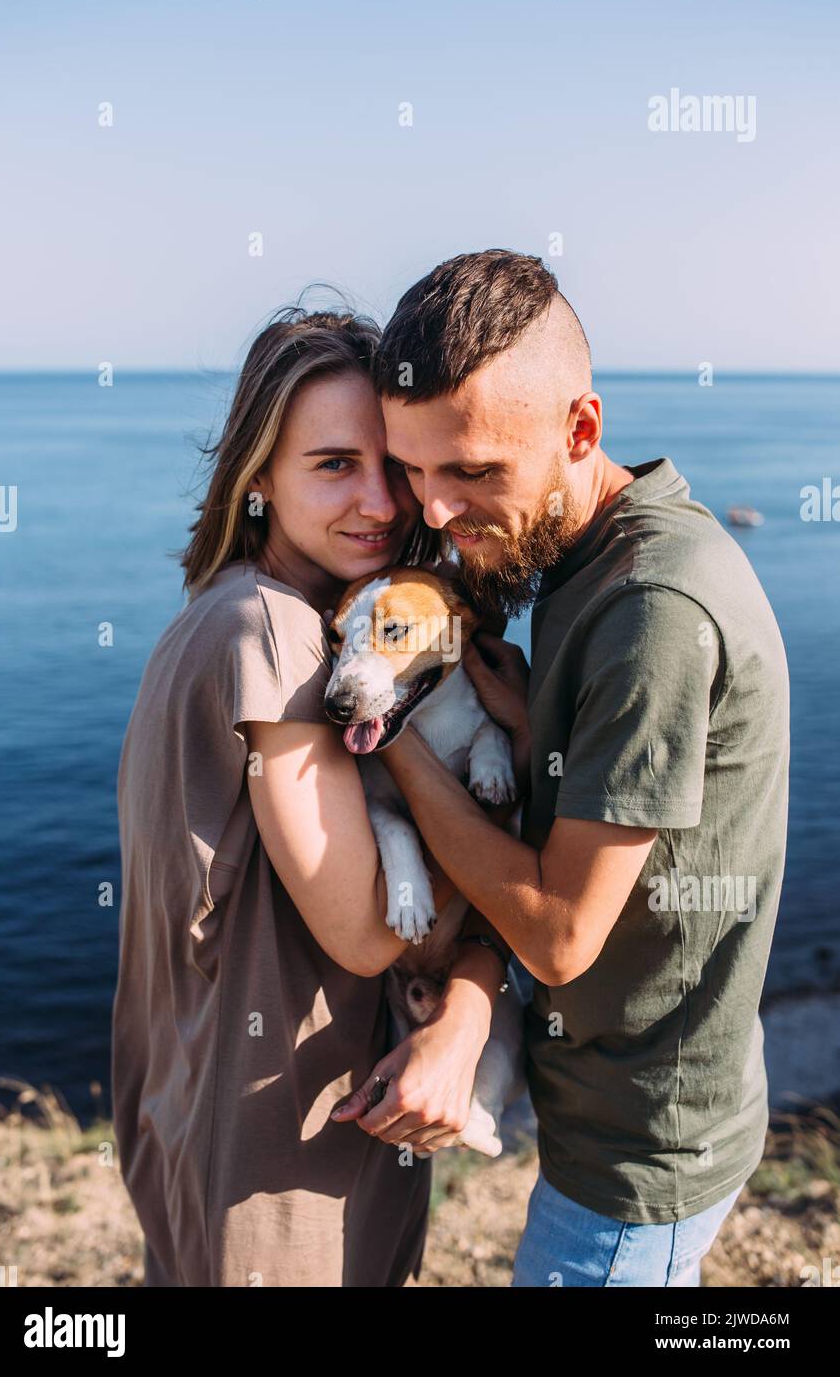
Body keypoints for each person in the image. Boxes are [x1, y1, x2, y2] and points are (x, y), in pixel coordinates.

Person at [346, 248, 790, 1287]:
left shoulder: (650, 608)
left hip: (638, 1153)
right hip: (625, 1107)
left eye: (471, 471)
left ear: (578, 429)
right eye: (413, 469)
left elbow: (553, 935)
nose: (436, 512)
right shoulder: (580, 551)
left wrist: (396, 736)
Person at [111, 304, 507, 1287]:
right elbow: (373, 931)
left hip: (209, 1116)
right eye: (333, 465)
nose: (381, 501)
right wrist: (492, 943)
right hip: (281, 1153)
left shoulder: (214, 615)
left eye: (393, 467)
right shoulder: (276, 636)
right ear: (258, 479)